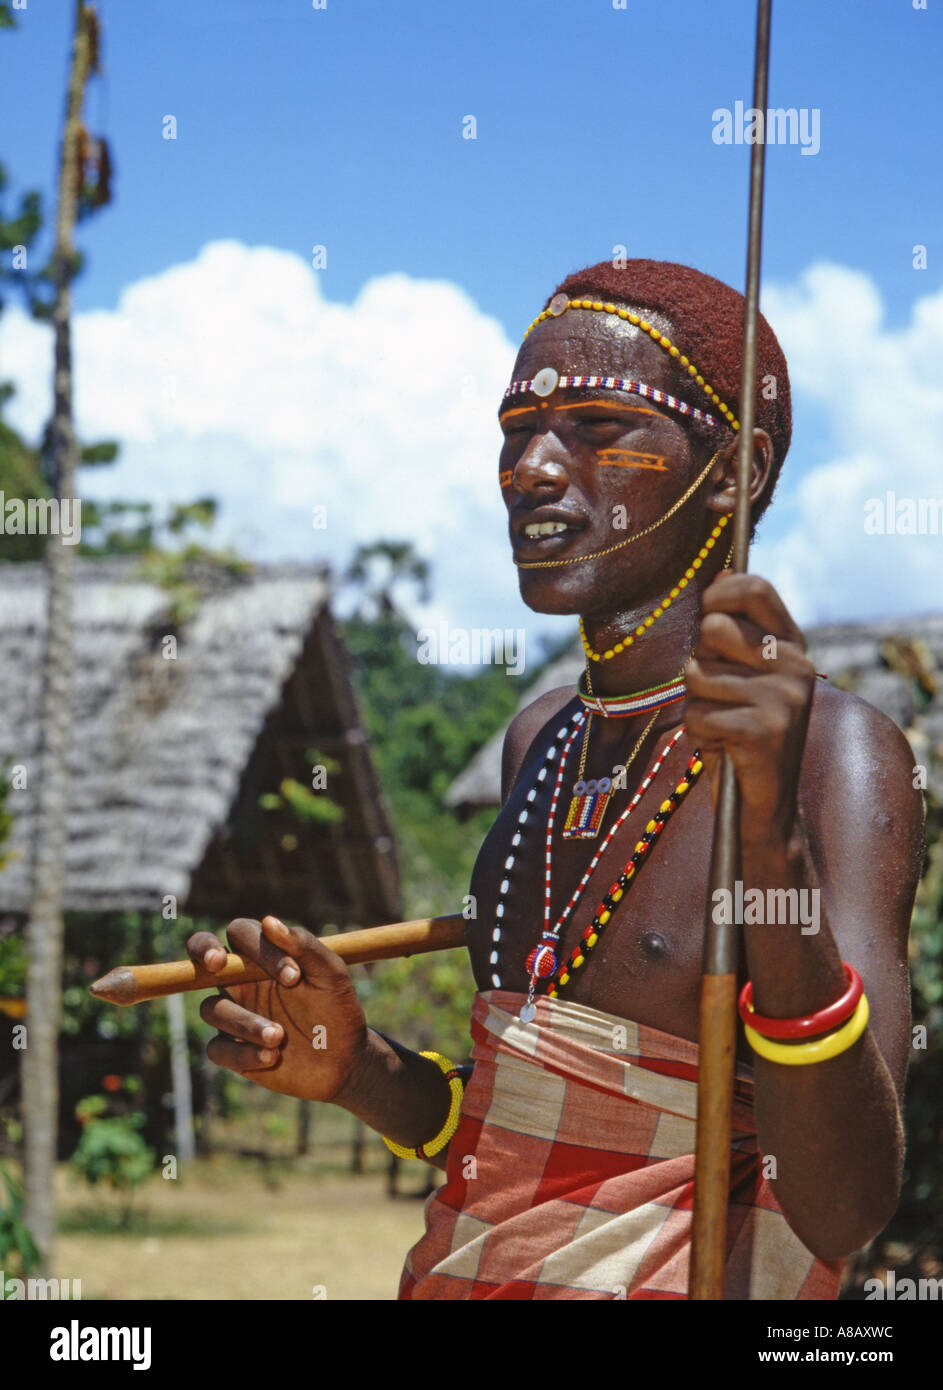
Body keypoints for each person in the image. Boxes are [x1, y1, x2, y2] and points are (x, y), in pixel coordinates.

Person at [187, 260, 925, 1299]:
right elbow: (522, 1138)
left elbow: (842, 1205)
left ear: (735, 471)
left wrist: (768, 840)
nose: (530, 467)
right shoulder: (538, 738)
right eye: (515, 429)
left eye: (595, 424)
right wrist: (359, 1072)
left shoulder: (835, 755)